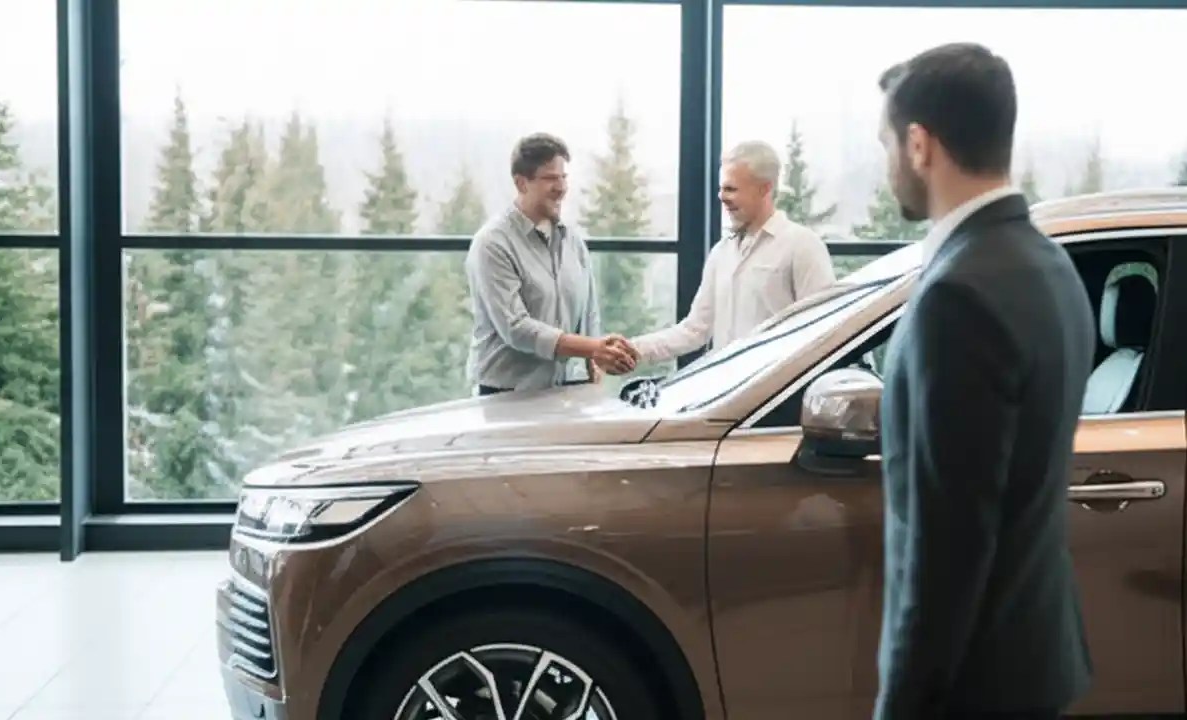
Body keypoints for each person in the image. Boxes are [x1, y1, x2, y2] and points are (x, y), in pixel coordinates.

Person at [871, 43, 1095, 720]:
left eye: (886, 144)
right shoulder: (1050, 266)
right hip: (1033, 667)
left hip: (971, 688)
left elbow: (947, 551)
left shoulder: (957, 296)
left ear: (919, 144)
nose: (887, 163)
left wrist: (902, 705)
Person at [629, 140, 835, 366]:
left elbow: (821, 331)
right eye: (721, 189)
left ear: (764, 189)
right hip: (726, 386)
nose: (721, 196)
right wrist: (632, 350)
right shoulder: (722, 252)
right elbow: (695, 330)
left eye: (731, 189)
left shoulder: (803, 245)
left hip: (777, 385)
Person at [465, 133, 636, 395]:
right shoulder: (492, 244)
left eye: (563, 177)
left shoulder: (573, 241)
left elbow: (589, 314)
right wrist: (592, 348)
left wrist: (597, 361)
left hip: (566, 391)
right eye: (550, 178)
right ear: (521, 183)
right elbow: (516, 328)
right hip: (506, 395)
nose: (561, 187)